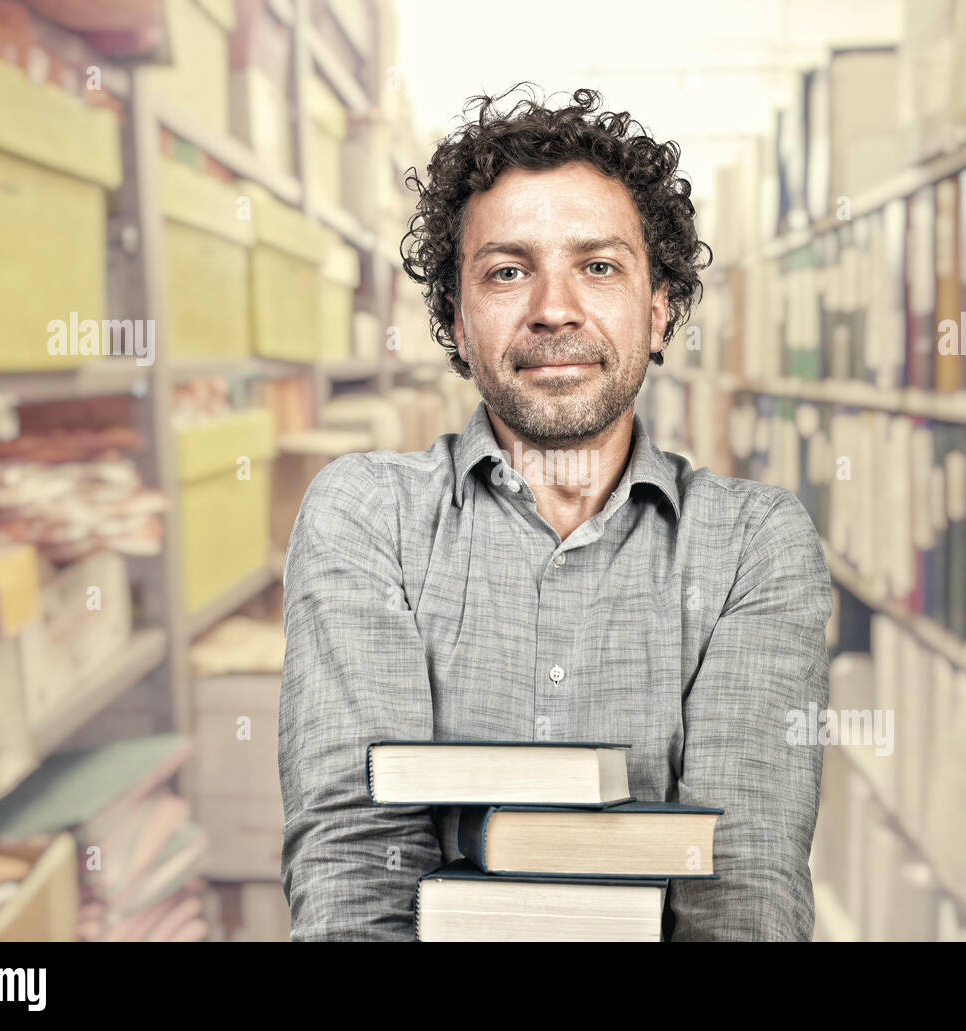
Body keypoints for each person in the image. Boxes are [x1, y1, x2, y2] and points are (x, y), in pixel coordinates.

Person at [279, 84, 832, 941]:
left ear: (659, 311)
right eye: (507, 271)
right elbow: (355, 858)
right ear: (457, 323)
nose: (554, 307)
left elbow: (744, 876)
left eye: (599, 266)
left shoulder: (753, 543)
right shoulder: (366, 516)